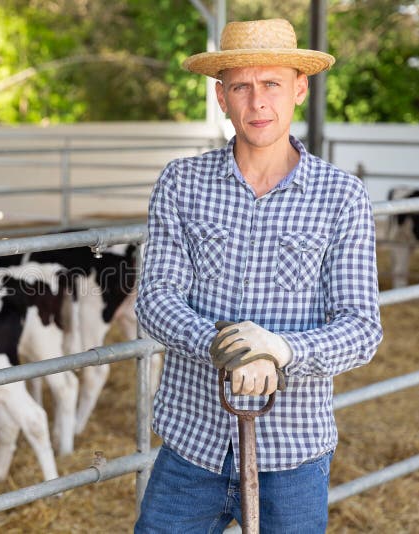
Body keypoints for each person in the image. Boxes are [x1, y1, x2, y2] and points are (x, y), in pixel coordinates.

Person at [134, 18, 383, 533]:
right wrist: (220, 344)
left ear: (299, 88)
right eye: (241, 87)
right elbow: (156, 297)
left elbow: (362, 327)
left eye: (271, 83)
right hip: (191, 444)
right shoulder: (182, 184)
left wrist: (282, 351)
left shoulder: (341, 197)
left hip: (292, 452)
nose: (257, 102)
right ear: (221, 96)